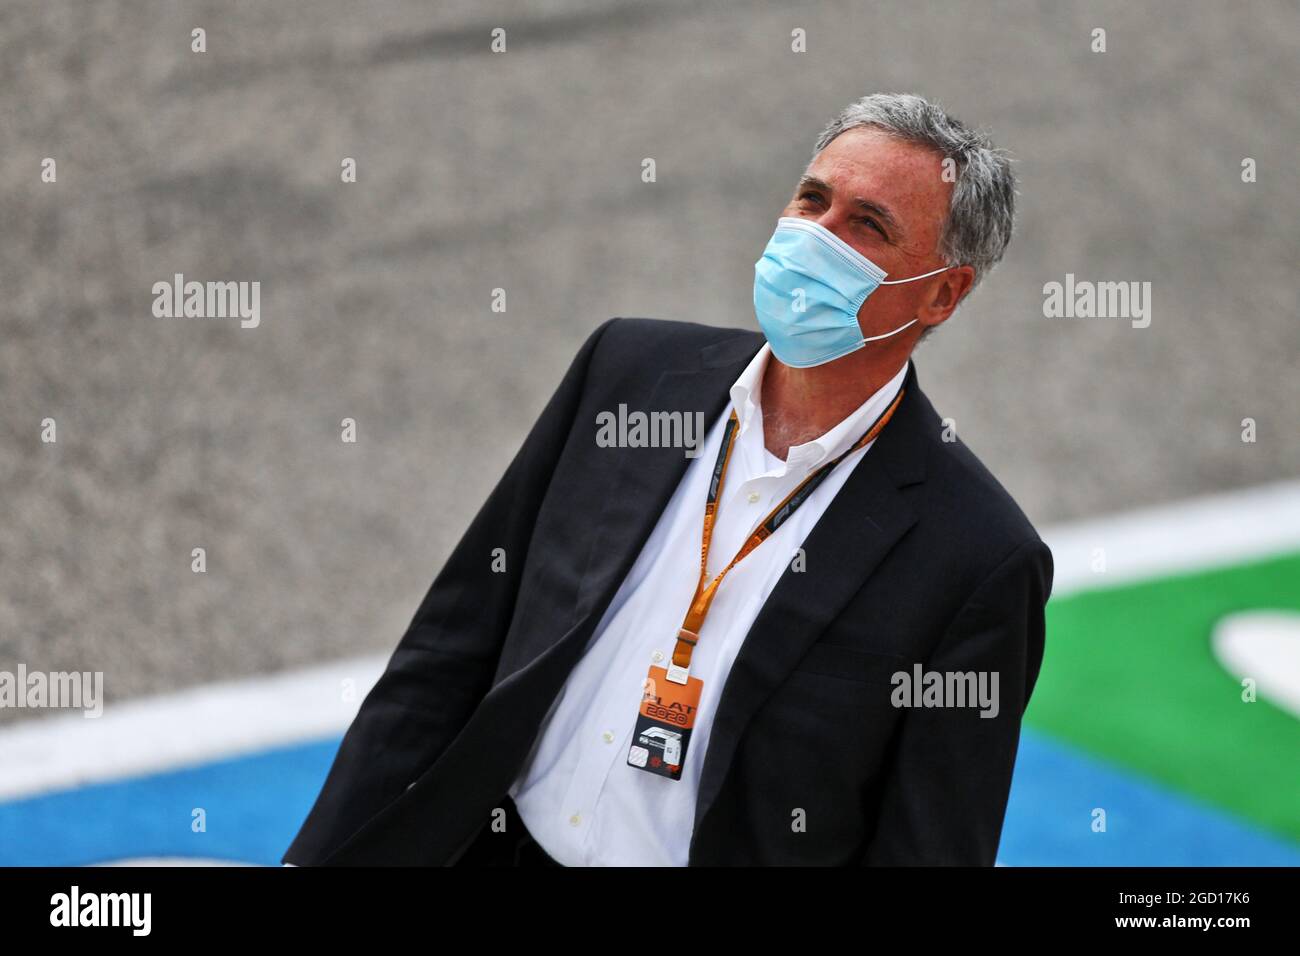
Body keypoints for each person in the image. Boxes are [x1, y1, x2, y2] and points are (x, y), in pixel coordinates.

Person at [283, 92, 1052, 867]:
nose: (816, 238)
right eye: (813, 200)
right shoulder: (626, 375)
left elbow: (927, 850)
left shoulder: (977, 558)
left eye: (867, 226)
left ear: (942, 294)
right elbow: (446, 654)